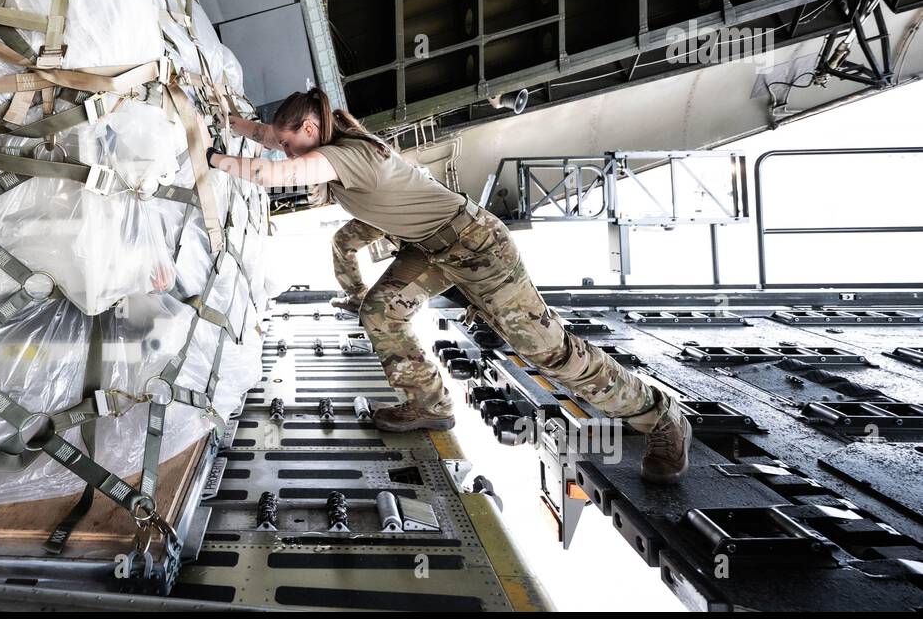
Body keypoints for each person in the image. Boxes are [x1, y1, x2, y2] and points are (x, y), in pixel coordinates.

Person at [206, 87, 692, 483]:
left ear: (311, 130)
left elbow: (273, 173)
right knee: (380, 310)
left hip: (477, 246)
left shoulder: (349, 155)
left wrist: (212, 157)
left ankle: (661, 417)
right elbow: (270, 138)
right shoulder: (325, 143)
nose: (283, 146)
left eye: (292, 142)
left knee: (548, 352)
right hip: (433, 246)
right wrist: (231, 122)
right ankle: (429, 403)